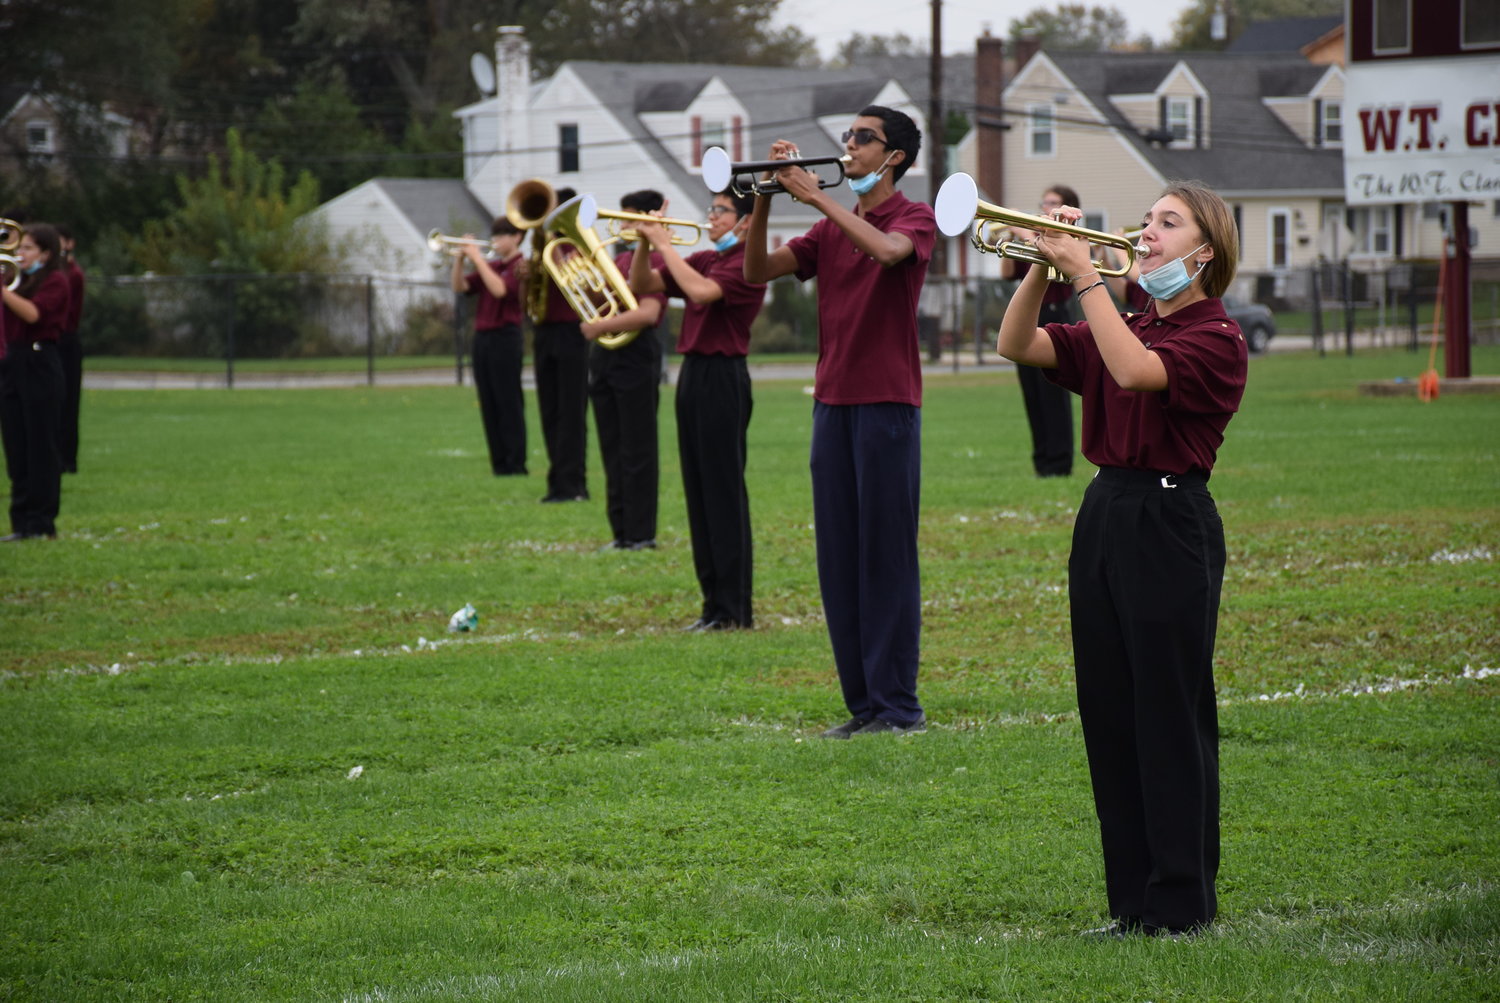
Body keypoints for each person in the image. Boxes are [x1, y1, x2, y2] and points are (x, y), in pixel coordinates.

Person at [995, 180, 1248, 938]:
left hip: (1170, 517)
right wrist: (1043, 262)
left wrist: (1085, 275)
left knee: (1167, 714)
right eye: (1147, 220)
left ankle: (1181, 901)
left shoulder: (1217, 337)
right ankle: (1133, 901)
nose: (1147, 233)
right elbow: (1017, 344)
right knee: (1109, 714)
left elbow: (1137, 370)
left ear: (1206, 253)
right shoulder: (1123, 318)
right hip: (1106, 510)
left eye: (1168, 223)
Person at [743, 106, 935, 736]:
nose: (847, 146)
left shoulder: (913, 217)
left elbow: (886, 254)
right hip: (831, 406)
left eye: (862, 138)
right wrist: (767, 198)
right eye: (847, 137)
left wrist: (816, 201)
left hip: (886, 405)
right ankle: (864, 707)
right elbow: (754, 273)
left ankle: (898, 706)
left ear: (894, 157)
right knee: (839, 560)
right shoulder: (831, 230)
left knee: (885, 558)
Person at [629, 188, 765, 630]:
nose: (711, 217)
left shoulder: (747, 264)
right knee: (699, 493)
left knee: (723, 494)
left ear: (745, 222)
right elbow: (642, 285)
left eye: (721, 211)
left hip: (723, 378)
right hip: (692, 375)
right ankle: (713, 606)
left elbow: (702, 295)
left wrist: (666, 244)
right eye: (710, 209)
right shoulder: (707, 258)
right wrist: (648, 241)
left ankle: (734, 609)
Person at [579, 190, 669, 551]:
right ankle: (620, 533)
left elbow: (648, 313)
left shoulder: (658, 259)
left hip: (635, 355)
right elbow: (601, 303)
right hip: (606, 357)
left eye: (630, 219)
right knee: (612, 448)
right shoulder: (619, 260)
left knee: (638, 450)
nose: (622, 225)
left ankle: (641, 534)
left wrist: (598, 327)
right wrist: (586, 274)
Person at [998, 185, 1081, 477]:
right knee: (1032, 393)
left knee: (1053, 396)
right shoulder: (1033, 238)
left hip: (1055, 318)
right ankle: (1042, 463)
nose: (1046, 208)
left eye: (1053, 203)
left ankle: (1059, 464)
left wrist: (1022, 229)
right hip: (1028, 319)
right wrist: (1008, 236)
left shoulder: (1070, 237)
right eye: (1044, 202)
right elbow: (1008, 274)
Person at [0, 222, 70, 541]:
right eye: (20, 248)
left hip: (40, 362)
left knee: (41, 443)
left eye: (27, 248)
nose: (20, 253)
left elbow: (33, 315)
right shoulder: (17, 279)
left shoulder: (56, 280)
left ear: (46, 252)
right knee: (17, 444)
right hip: (13, 362)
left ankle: (42, 522)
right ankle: (21, 522)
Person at [452, 217, 528, 476]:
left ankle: (516, 463)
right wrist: (460, 259)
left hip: (505, 337)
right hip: (483, 338)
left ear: (516, 237)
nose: (495, 241)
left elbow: (500, 291)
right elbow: (459, 286)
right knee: (489, 400)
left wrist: (477, 258)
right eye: (493, 236)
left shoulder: (521, 266)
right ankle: (499, 463)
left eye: (500, 236)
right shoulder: (492, 264)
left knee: (508, 400)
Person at [532, 186, 590, 503]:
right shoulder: (542, 245)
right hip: (545, 332)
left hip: (572, 331)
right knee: (550, 411)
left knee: (571, 411)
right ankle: (557, 482)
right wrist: (528, 276)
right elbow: (530, 301)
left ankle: (574, 484)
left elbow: (582, 284)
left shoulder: (577, 244)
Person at [55, 223, 85, 474]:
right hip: (52, 342)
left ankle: (67, 458)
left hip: (65, 341)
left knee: (68, 403)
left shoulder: (71, 274)